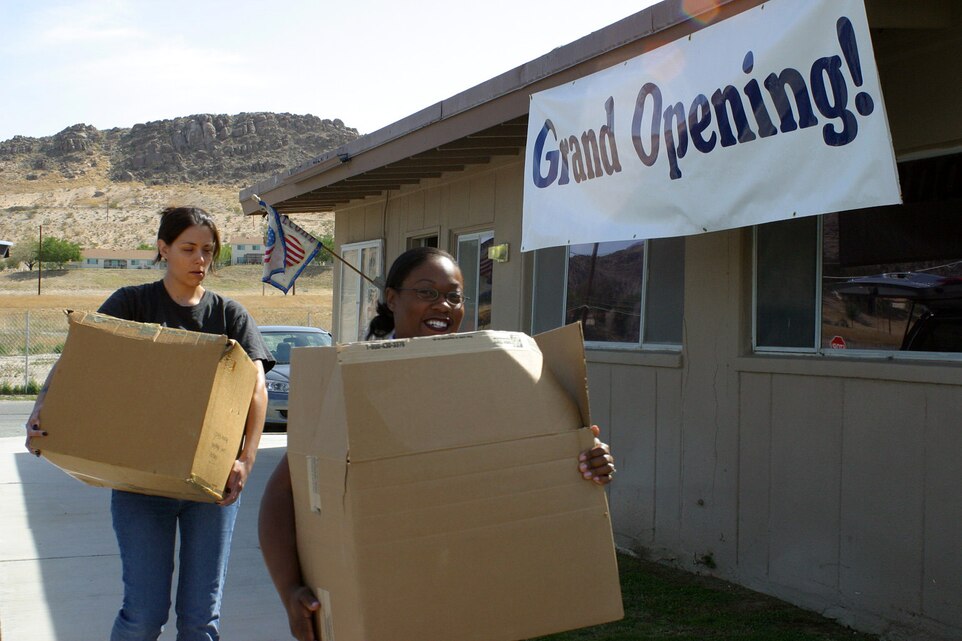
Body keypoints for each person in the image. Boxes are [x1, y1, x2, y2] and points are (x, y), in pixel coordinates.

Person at [258, 246, 616, 641]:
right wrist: (289, 590)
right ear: (392, 298)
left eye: (454, 295)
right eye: (427, 292)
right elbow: (280, 496)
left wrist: (583, 464)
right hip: (386, 605)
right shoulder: (351, 381)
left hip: (474, 600)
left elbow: (523, 470)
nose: (443, 305)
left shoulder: (495, 377)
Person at [25, 206, 273, 641]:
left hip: (212, 488)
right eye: (189, 248)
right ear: (163, 249)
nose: (200, 260)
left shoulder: (229, 315)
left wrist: (245, 462)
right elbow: (80, 357)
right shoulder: (131, 303)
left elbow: (256, 388)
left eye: (208, 251)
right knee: (143, 614)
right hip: (141, 484)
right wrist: (44, 407)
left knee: (201, 620)